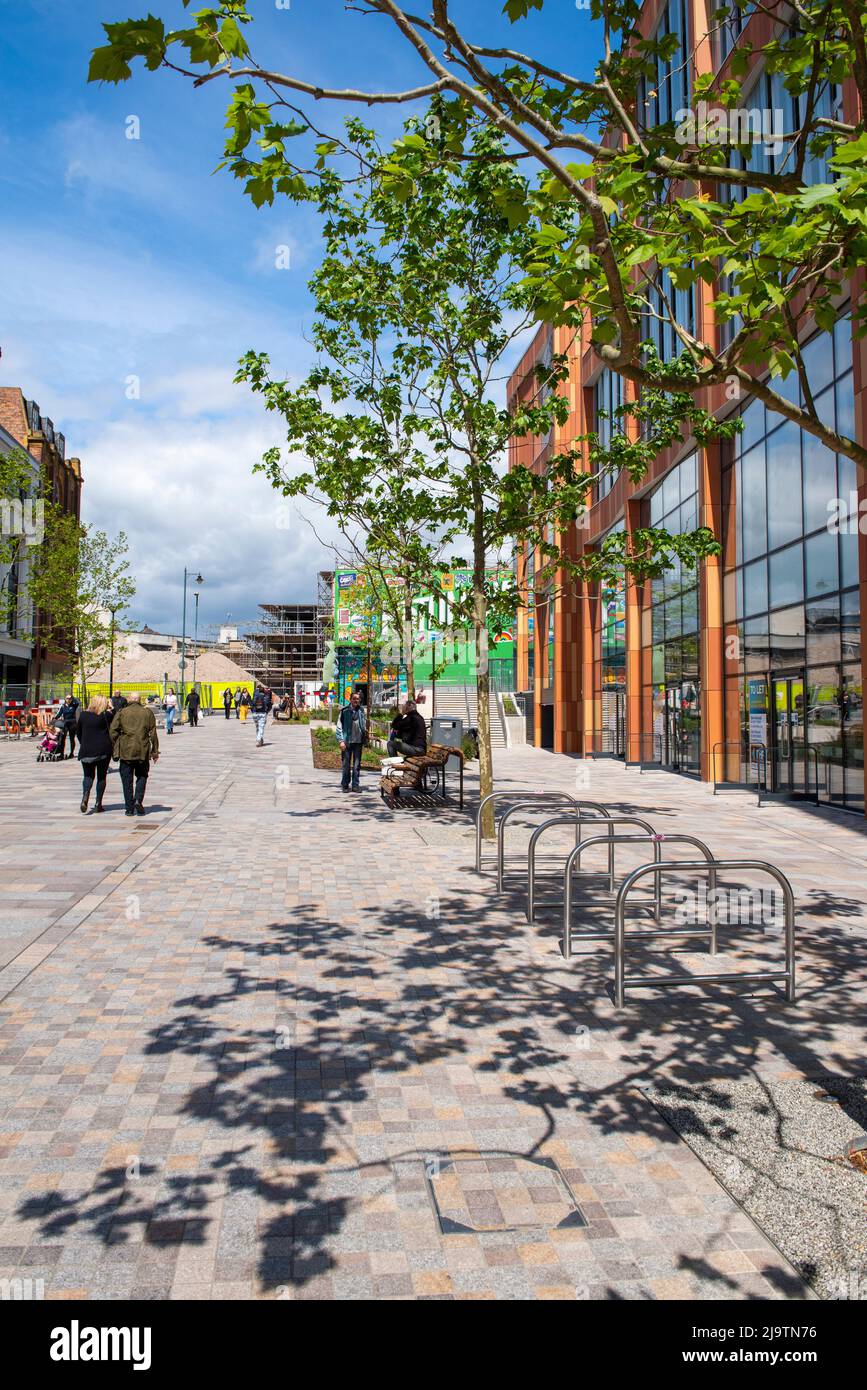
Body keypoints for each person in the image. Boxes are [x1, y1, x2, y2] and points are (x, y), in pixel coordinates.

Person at [110, 692, 160, 817]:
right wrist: (155, 751)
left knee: (126, 780)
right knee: (142, 776)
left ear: (129, 699)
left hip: (126, 751)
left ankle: (129, 808)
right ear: (140, 700)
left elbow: (113, 731)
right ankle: (138, 799)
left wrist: (117, 742)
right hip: (142, 750)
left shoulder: (122, 712)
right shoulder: (147, 713)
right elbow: (153, 733)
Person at [76, 694, 114, 813]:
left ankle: (85, 796)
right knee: (101, 777)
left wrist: (84, 743)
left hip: (86, 750)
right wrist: (111, 707)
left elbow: (78, 733)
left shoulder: (83, 715)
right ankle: (98, 803)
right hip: (103, 750)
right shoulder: (106, 715)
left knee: (88, 776)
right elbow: (115, 717)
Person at [336, 690, 367, 793]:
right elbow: (339, 727)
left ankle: (355, 785)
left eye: (357, 699)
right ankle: (345, 785)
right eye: (354, 699)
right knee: (346, 765)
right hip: (347, 742)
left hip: (358, 742)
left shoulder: (362, 711)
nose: (355, 700)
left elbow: (363, 725)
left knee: (357, 765)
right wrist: (341, 741)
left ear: (359, 700)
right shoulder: (344, 711)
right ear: (350, 699)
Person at [250, 682, 273, 746]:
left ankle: (260, 740)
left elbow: (252, 705)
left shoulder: (255, 696)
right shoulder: (266, 696)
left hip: (255, 713)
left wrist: (253, 711)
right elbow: (269, 705)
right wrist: (267, 711)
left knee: (257, 727)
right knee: (261, 728)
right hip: (262, 713)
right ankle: (258, 740)